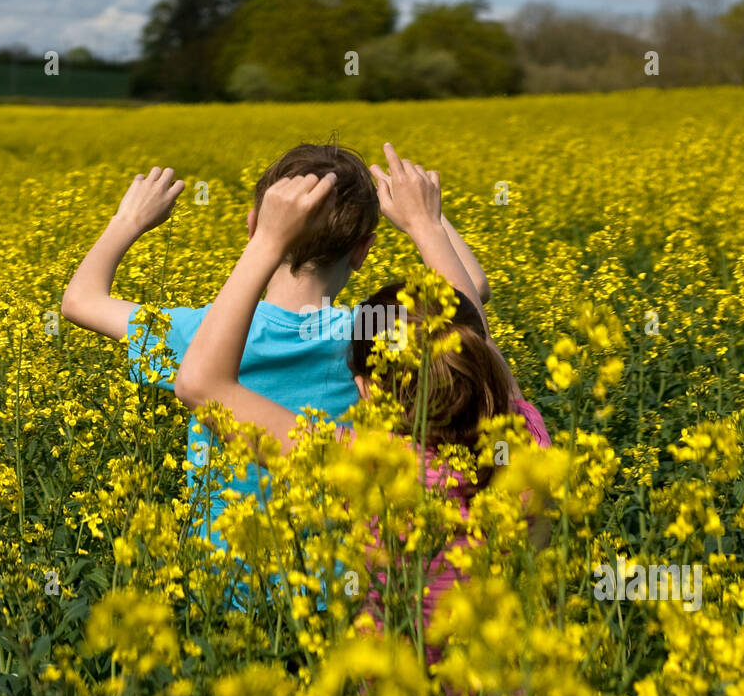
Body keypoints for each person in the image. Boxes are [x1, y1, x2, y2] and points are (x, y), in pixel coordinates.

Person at [173, 150, 551, 652]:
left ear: (369, 391)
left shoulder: (370, 467)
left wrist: (267, 240)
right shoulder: (524, 437)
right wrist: (426, 225)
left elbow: (202, 384)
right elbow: (475, 334)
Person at [60, 142, 491, 549]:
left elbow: (81, 301)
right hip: (343, 588)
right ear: (362, 251)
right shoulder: (373, 335)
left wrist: (128, 221)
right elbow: (470, 299)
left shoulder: (201, 336)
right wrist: (427, 223)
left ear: (253, 228)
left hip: (222, 590)